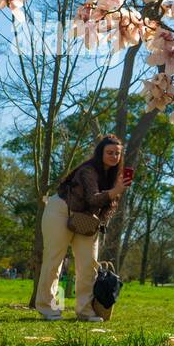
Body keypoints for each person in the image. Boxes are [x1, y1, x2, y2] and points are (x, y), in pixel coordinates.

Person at [36, 135, 128, 321]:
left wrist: (114, 192)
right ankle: (48, 309)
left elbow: (106, 207)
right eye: (109, 152)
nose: (114, 156)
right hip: (61, 210)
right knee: (54, 260)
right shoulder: (88, 170)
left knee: (89, 264)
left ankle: (85, 311)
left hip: (86, 219)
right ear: (100, 153)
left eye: (117, 153)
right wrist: (115, 191)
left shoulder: (113, 177)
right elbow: (92, 199)